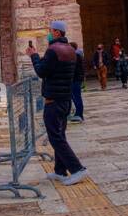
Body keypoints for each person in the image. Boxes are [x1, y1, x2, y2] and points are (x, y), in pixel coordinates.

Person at [25, 22, 87, 185]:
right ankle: (60, 170)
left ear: (58, 33)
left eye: (51, 31)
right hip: (65, 100)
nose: (49, 34)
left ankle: (77, 169)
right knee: (60, 135)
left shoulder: (53, 51)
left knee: (55, 137)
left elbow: (41, 71)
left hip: (53, 101)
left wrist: (33, 55)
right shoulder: (71, 51)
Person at [69, 42, 85, 122]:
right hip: (76, 79)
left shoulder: (75, 56)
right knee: (75, 97)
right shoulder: (77, 56)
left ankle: (79, 114)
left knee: (76, 97)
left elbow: (74, 69)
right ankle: (78, 114)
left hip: (75, 80)